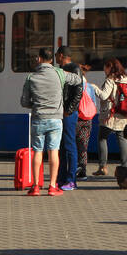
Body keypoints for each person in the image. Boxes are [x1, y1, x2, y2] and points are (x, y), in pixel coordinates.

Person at [20, 47, 81, 196]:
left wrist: (36, 105)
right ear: (51, 60)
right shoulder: (59, 73)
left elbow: (24, 101)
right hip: (56, 119)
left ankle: (35, 187)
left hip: (38, 119)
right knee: (54, 152)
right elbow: (77, 80)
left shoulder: (30, 77)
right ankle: (52, 186)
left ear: (39, 59)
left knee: (37, 152)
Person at [93, 58, 127, 176]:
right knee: (122, 139)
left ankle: (103, 167)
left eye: (105, 67)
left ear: (110, 67)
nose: (104, 70)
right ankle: (125, 167)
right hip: (124, 115)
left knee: (102, 138)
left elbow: (104, 96)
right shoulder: (125, 79)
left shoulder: (110, 80)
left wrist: (93, 87)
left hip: (111, 115)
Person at [55, 49, 84, 191]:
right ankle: (61, 179)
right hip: (62, 112)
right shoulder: (62, 69)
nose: (55, 58)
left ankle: (71, 180)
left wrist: (69, 110)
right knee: (61, 147)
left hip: (68, 113)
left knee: (70, 145)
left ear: (61, 56)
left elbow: (78, 92)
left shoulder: (74, 69)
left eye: (56, 55)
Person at [73, 71, 100, 182]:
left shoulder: (73, 86)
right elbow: (94, 104)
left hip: (76, 119)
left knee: (73, 145)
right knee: (83, 146)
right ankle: (83, 171)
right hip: (87, 120)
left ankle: (72, 170)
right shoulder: (89, 87)